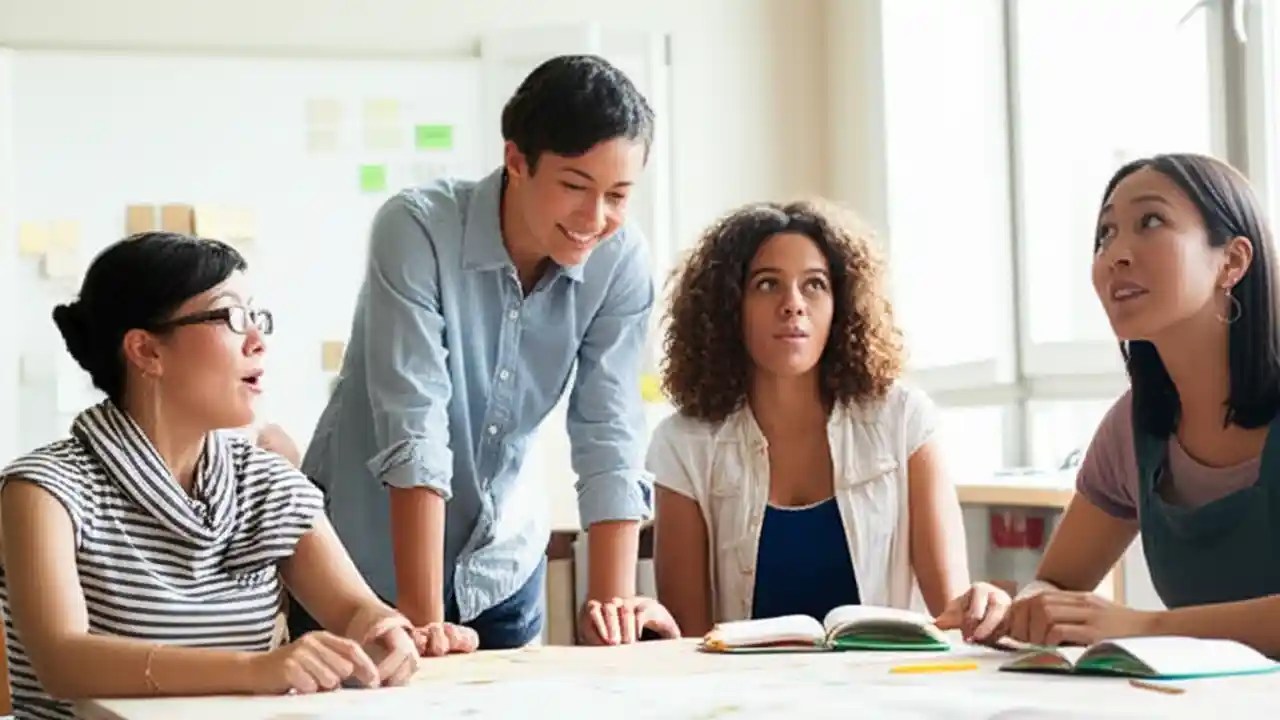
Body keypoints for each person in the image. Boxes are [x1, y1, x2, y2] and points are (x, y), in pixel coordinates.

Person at [0, 233, 477, 720]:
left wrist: (388, 634)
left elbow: (356, 610)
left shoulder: (267, 481)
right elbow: (62, 660)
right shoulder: (44, 491)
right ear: (146, 351)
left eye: (256, 317)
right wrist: (254, 669)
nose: (257, 340)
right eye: (230, 317)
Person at [297, 54, 679, 650]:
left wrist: (613, 609)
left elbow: (610, 427)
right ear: (517, 161)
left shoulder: (622, 259)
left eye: (618, 195)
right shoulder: (416, 229)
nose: (596, 217)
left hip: (498, 569)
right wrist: (424, 624)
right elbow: (415, 422)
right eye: (575, 187)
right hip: (363, 573)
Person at [938, 153, 1280, 656]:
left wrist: (1144, 627)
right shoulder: (1132, 427)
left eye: (1151, 222)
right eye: (1105, 234)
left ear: (1231, 261)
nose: (1115, 254)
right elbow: (1057, 584)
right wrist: (1015, 608)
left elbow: (1134, 626)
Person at [647, 200, 971, 636]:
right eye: (767, 285)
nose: (793, 304)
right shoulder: (681, 443)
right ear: (729, 306)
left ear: (841, 303)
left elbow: (952, 616)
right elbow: (689, 639)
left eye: (814, 284)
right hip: (740, 681)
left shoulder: (905, 420)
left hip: (883, 676)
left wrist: (982, 608)